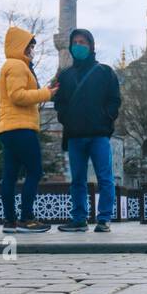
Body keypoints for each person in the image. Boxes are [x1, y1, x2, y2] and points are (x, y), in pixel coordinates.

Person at [52, 28, 121, 232]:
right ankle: (79, 219)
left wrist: (105, 118)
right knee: (78, 180)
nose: (79, 46)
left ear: (91, 46)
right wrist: (67, 119)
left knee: (105, 178)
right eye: (76, 42)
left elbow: (114, 100)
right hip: (75, 136)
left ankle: (104, 219)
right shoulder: (65, 76)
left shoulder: (105, 72)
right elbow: (59, 103)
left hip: (98, 134)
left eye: (83, 42)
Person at [0, 26, 55, 233]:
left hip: (8, 128)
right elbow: (18, 96)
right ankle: (27, 219)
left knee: (10, 175)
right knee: (35, 171)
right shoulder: (17, 66)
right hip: (20, 127)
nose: (31, 50)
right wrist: (46, 94)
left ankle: (10, 221)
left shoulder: (11, 65)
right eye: (29, 46)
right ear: (21, 46)